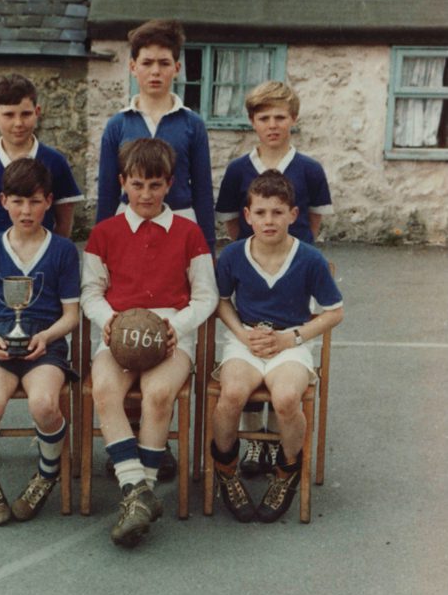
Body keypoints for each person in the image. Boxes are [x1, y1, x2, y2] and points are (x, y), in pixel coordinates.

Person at [95, 19, 216, 480]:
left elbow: (202, 190)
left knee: (172, 331)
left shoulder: (191, 124)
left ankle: (157, 447)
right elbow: (108, 191)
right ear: (132, 67)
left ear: (177, 68)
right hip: (129, 230)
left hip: (178, 226)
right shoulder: (117, 124)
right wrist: (105, 243)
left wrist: (206, 247)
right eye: (147, 63)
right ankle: (127, 451)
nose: (156, 71)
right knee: (127, 336)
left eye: (165, 63)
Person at [82, 138, 218, 547]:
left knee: (158, 394)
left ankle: (141, 492)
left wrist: (178, 324)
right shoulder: (104, 233)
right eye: (137, 184)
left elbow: (206, 295)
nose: (146, 194)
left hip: (171, 335)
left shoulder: (189, 233)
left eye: (155, 185)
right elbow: (91, 292)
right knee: (105, 388)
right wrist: (109, 321)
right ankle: (139, 494)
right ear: (123, 182)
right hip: (119, 333)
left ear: (169, 184)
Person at [215, 81, 334, 475]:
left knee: (281, 372)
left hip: (294, 266)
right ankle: (253, 443)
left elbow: (313, 219)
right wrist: (248, 256)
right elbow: (232, 220)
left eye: (280, 117)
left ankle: (280, 444)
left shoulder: (309, 168)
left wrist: (294, 250)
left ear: (293, 119)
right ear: (252, 121)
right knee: (244, 372)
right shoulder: (238, 169)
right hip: (253, 264)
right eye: (264, 118)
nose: (272, 125)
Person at [211, 170, 343, 523]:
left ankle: (286, 472)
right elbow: (222, 302)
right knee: (232, 394)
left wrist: (293, 337)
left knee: (286, 398)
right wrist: (242, 334)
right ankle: (226, 470)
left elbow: (334, 313)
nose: (269, 220)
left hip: (289, 342)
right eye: (261, 212)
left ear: (293, 215)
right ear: (248, 215)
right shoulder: (234, 255)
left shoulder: (310, 258)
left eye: (277, 212)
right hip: (247, 340)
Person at [0, 158, 80, 526]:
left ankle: (47, 474)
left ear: (48, 201)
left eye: (33, 201)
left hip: (46, 345)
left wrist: (47, 336)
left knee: (45, 404)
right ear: (3, 202)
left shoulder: (62, 250)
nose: (26, 210)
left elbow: (72, 315)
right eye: (17, 201)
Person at [0, 73, 83, 246]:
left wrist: (49, 255)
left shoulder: (55, 162)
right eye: (9, 115)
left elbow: (64, 223)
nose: (18, 123)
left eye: (26, 114)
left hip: (40, 260)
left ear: (37, 112)